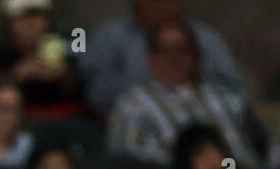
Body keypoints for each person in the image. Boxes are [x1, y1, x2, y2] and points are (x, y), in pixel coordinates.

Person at [107, 21, 264, 169]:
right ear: (151, 59)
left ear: (195, 56)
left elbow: (265, 149)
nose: (173, 58)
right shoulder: (133, 103)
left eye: (181, 49)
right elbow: (128, 160)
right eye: (164, 50)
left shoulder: (228, 100)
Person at [80, 0, 244, 115]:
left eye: (182, 50)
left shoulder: (207, 39)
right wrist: (159, 94)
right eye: (164, 51)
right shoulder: (109, 37)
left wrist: (192, 95)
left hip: (204, 127)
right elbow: (97, 94)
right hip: (137, 123)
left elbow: (234, 93)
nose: (163, 5)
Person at [0, 0, 83, 120]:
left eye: (36, 17)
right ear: (7, 22)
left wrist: (65, 76)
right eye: (23, 18)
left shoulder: (67, 52)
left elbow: (81, 98)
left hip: (61, 123)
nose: (30, 25)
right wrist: (16, 75)